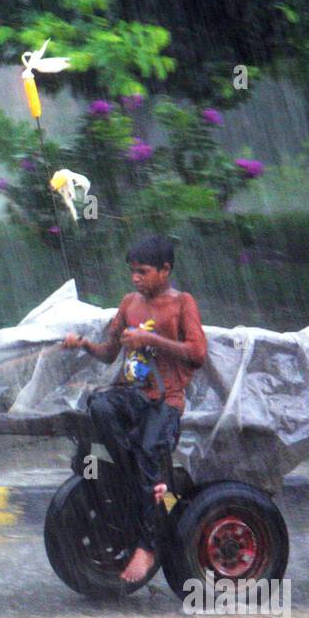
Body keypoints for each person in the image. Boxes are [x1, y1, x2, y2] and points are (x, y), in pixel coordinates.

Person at [61, 235, 207, 582]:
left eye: (143, 272)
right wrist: (81, 343)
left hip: (165, 401)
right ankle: (132, 480)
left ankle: (148, 544)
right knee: (99, 404)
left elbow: (198, 354)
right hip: (134, 396)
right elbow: (110, 352)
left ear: (165, 270)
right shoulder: (129, 303)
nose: (135, 278)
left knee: (145, 454)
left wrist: (150, 340)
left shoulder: (182, 303)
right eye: (132, 272)